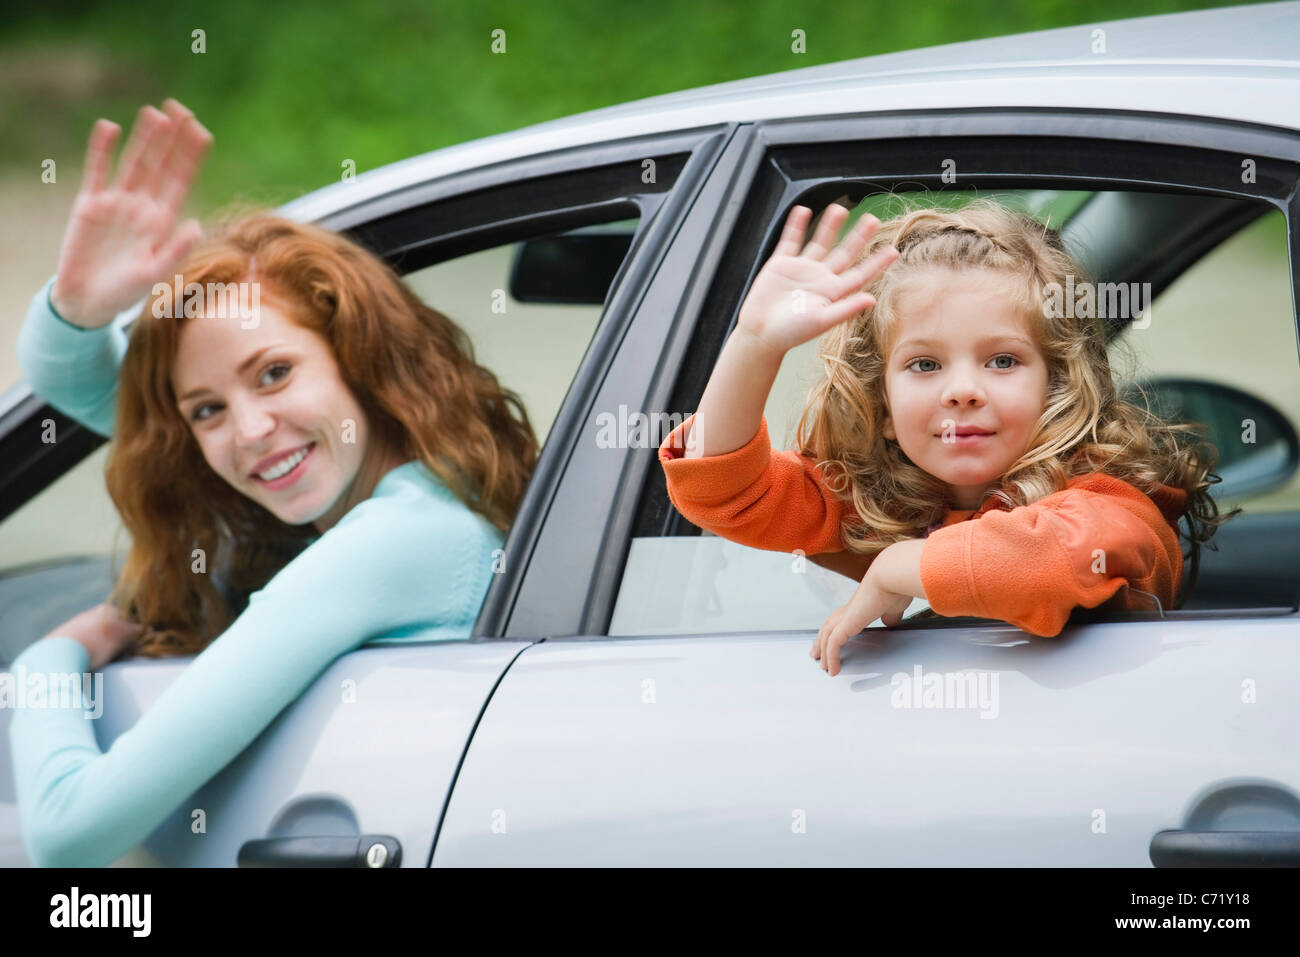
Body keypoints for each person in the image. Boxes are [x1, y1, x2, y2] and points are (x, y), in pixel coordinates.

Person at [8, 100, 538, 865]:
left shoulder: (393, 543)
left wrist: (49, 658)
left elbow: (66, 832)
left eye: (276, 372)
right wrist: (77, 310)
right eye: (209, 409)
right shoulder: (435, 492)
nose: (251, 430)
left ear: (357, 357)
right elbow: (102, 398)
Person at [658, 199, 1237, 676]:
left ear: (1057, 386)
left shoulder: (1108, 502)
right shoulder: (875, 506)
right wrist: (754, 346)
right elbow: (724, 492)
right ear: (881, 406)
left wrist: (898, 566)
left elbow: (1053, 561)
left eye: (1003, 360)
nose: (962, 391)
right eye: (925, 366)